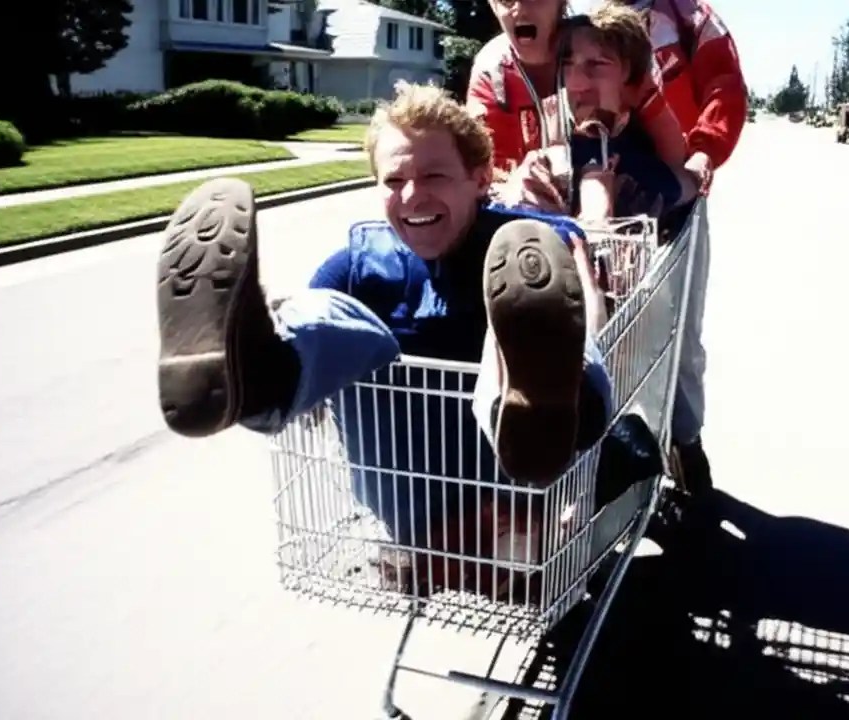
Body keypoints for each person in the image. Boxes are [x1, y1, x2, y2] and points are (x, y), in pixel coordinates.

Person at [154, 82, 615, 597]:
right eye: (394, 180)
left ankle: (546, 408)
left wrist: (580, 281)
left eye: (434, 175)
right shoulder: (357, 264)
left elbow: (592, 314)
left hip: (521, 473)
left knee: (532, 318)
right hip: (412, 488)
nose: (413, 195)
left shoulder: (529, 243)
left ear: (481, 178)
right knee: (332, 314)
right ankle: (259, 374)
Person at [615, 0, 749, 494]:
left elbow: (725, 90)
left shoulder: (692, 19)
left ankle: (685, 442)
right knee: (612, 336)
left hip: (677, 198)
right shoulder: (585, 18)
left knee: (679, 336)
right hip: (605, 196)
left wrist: (699, 155)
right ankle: (620, 461)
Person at [467, 0, 688, 213]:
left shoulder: (603, 44)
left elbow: (671, 148)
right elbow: (481, 175)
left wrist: (685, 181)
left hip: (621, 185)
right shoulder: (490, 73)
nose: (520, 10)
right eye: (505, 0)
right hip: (533, 208)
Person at [559, 1, 700, 223]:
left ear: (630, 73)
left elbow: (682, 176)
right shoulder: (555, 136)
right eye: (567, 64)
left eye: (596, 64)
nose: (576, 82)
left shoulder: (640, 146)